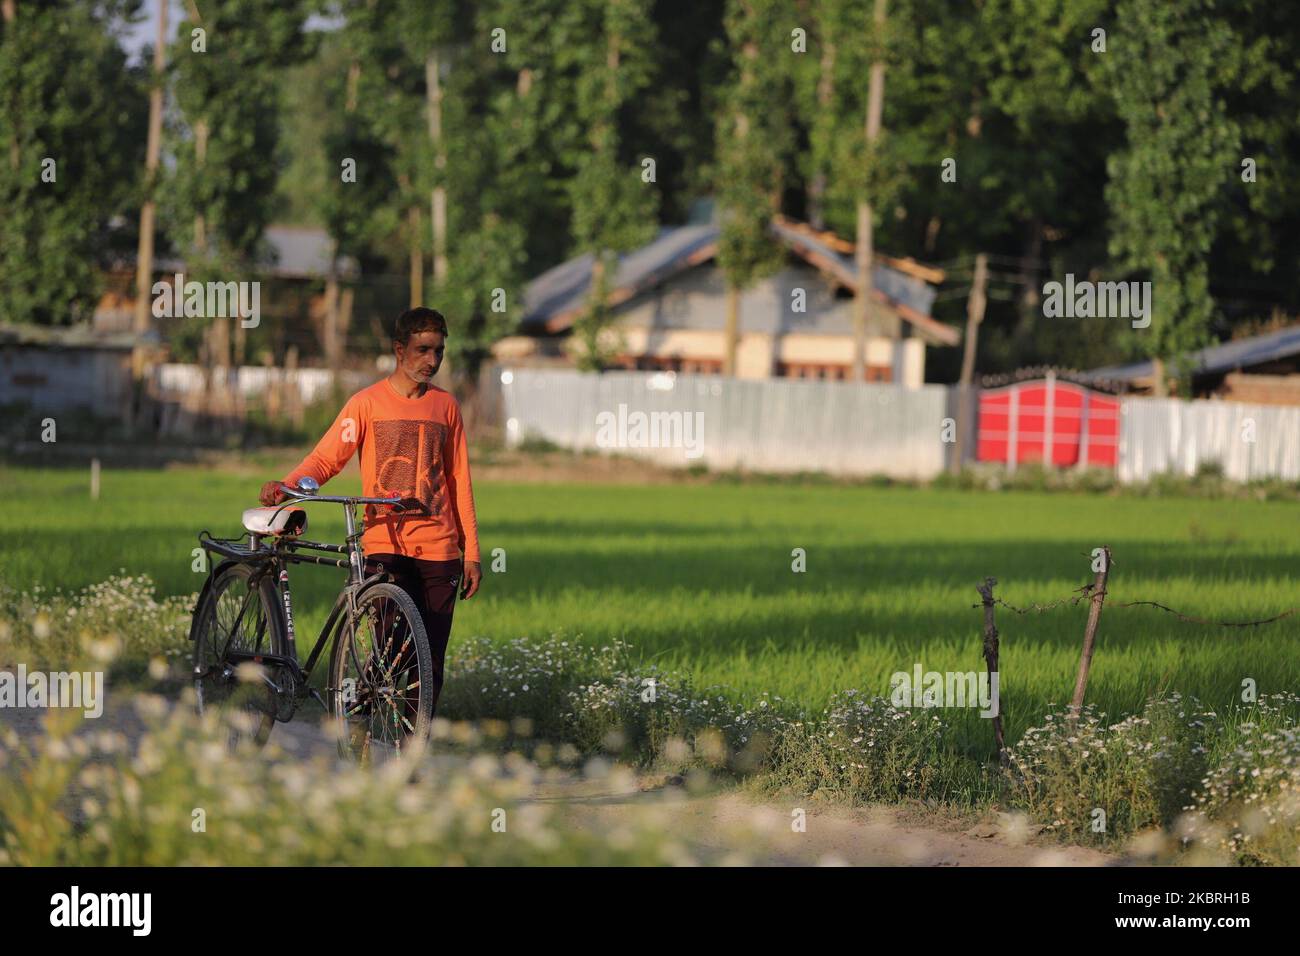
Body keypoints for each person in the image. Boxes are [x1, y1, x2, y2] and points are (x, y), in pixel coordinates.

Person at [260, 307, 481, 722]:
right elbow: (326, 460)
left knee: (430, 665)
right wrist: (287, 487)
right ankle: (360, 717)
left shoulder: (446, 407)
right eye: (423, 350)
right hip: (385, 545)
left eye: (439, 351)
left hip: (439, 549)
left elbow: (459, 480)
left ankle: (413, 753)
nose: (432, 361)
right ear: (400, 350)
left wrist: (472, 551)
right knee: (390, 651)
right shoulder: (365, 404)